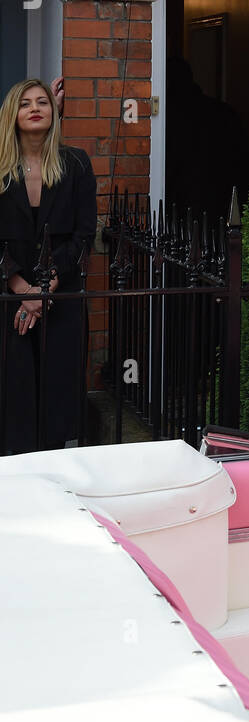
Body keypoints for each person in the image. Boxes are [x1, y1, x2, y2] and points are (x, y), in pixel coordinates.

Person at [0, 78, 97, 452]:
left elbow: (84, 234)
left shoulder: (75, 164)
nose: (35, 108)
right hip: (9, 296)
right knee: (16, 394)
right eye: (25, 103)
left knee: (57, 394)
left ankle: (56, 480)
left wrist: (46, 286)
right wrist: (22, 290)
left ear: (53, 112)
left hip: (62, 293)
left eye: (42, 101)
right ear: (12, 114)